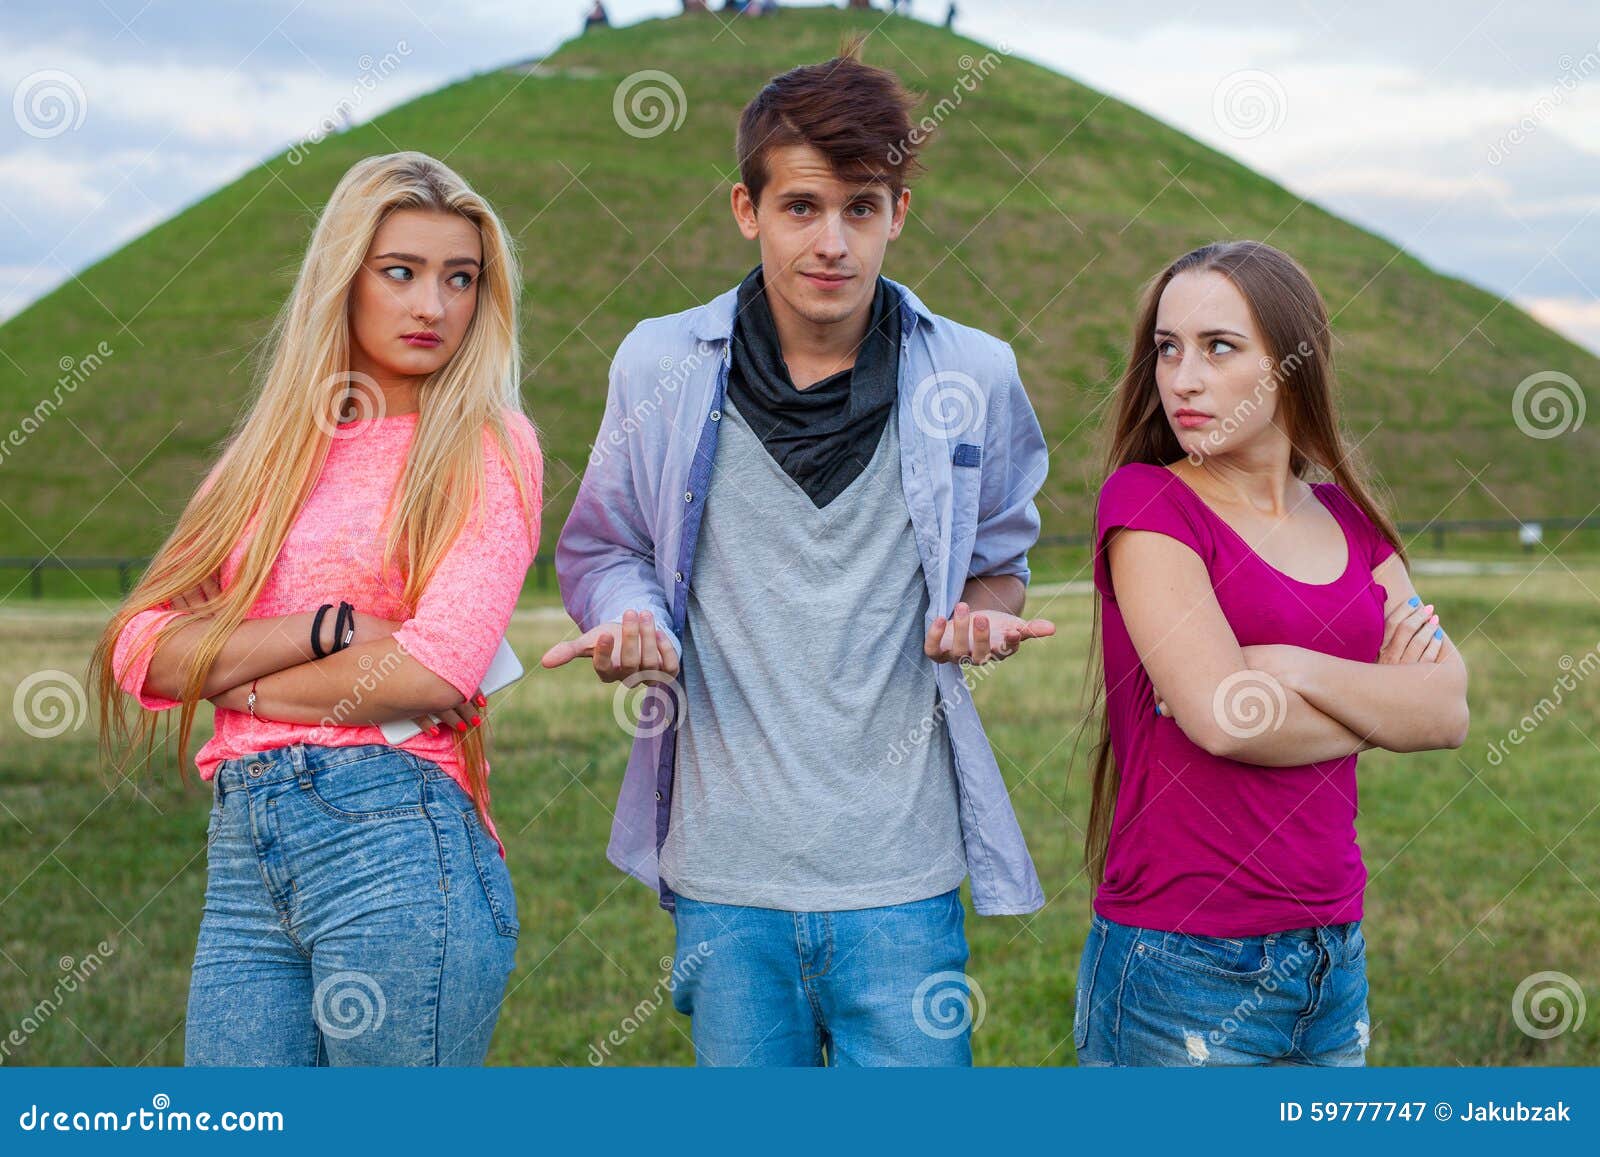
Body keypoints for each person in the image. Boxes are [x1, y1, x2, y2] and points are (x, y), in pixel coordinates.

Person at [546, 37, 1054, 1066]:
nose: (832, 240)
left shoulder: (976, 372)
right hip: (727, 874)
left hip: (900, 871)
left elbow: (1002, 555)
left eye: (861, 207)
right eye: (801, 206)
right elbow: (604, 548)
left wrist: (987, 611)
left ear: (898, 215)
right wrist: (626, 615)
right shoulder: (658, 362)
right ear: (747, 210)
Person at [90, 151, 542, 1066]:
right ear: (344, 277)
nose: (433, 306)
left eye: (461, 279)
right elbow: (138, 647)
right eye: (402, 272)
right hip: (244, 857)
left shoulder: (486, 445)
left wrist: (238, 682)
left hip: (399, 838)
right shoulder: (267, 456)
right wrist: (324, 632)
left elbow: (430, 670)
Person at [1073, 240, 1470, 1067]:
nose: (1182, 378)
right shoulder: (1149, 503)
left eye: (1219, 348)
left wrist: (1292, 668)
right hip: (1181, 962)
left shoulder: (1351, 520)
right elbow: (1225, 720)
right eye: (1167, 349)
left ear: (1293, 363)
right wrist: (1381, 706)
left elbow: (1447, 710)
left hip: (1332, 955)